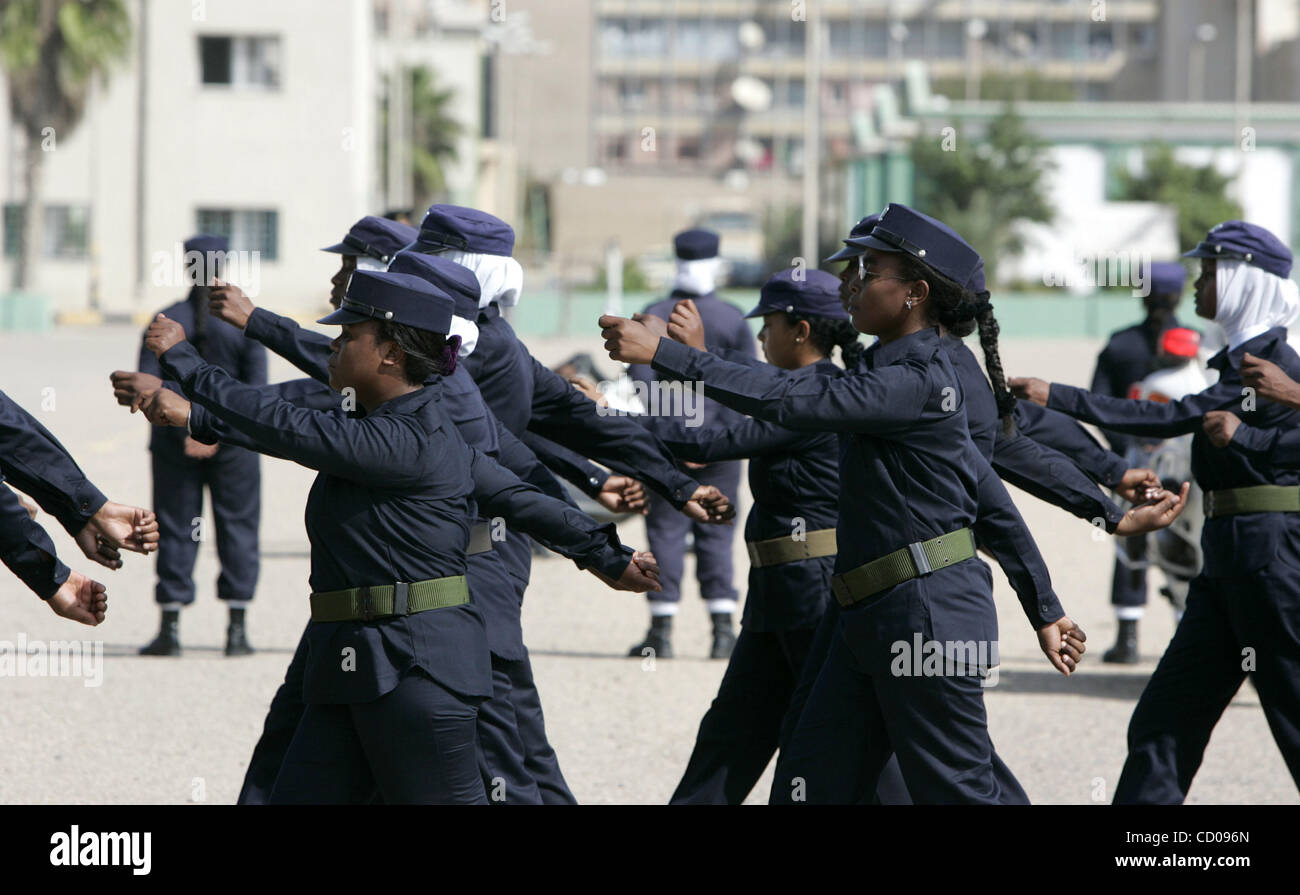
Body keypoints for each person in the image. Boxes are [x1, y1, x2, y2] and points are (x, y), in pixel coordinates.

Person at [601, 203, 1087, 804]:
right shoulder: (888, 374)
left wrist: (668, 357)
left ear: (914, 292)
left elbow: (791, 401)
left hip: (925, 617)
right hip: (866, 614)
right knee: (809, 786)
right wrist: (1045, 605)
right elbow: (988, 497)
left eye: (869, 268)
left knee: (957, 791)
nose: (850, 283)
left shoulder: (918, 380)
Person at [136, 269, 658, 804]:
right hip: (352, 667)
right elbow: (522, 500)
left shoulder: (403, 438)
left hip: (418, 676)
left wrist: (183, 363)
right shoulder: (402, 426)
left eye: (347, 336)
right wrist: (605, 557)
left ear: (390, 353)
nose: (333, 346)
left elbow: (285, 425)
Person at [1011, 220, 1300, 802]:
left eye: (1211, 271)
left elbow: (1165, 417)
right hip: (1227, 563)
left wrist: (1053, 395)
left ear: (1246, 281)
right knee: (1165, 721)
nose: (1198, 283)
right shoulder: (1240, 361)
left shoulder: (1274, 365)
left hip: (1272, 562)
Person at [633, 268, 857, 803]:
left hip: (811, 591)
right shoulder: (804, 384)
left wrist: (602, 412)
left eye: (769, 324)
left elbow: (705, 440)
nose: (760, 336)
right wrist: (697, 354)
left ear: (800, 330)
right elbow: (751, 380)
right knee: (730, 735)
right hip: (779, 588)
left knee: (834, 741)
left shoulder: (813, 396)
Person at [625, 228, 755, 659]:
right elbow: (744, 388)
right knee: (718, 530)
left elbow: (643, 386)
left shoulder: (652, 313)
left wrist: (676, 438)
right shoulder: (733, 318)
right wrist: (715, 441)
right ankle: (722, 634)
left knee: (664, 531)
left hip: (665, 446)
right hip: (723, 446)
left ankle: (660, 633)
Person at [136, 234, 266, 657]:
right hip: (236, 446)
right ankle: (237, 631)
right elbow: (257, 393)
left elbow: (147, 388)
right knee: (239, 529)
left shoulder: (164, 319)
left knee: (176, 527)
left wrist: (188, 432)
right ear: (224, 266)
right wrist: (216, 431)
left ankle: (170, 631)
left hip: (175, 446)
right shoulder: (245, 323)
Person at [1090, 261, 1190, 663]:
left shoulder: (1119, 344)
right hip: (1184, 465)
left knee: (1128, 542)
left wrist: (1124, 451)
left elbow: (1098, 404)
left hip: (1132, 461)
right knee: (1183, 546)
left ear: (1143, 295)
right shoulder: (1196, 342)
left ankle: (1128, 639)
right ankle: (1186, 635)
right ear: (1180, 296)